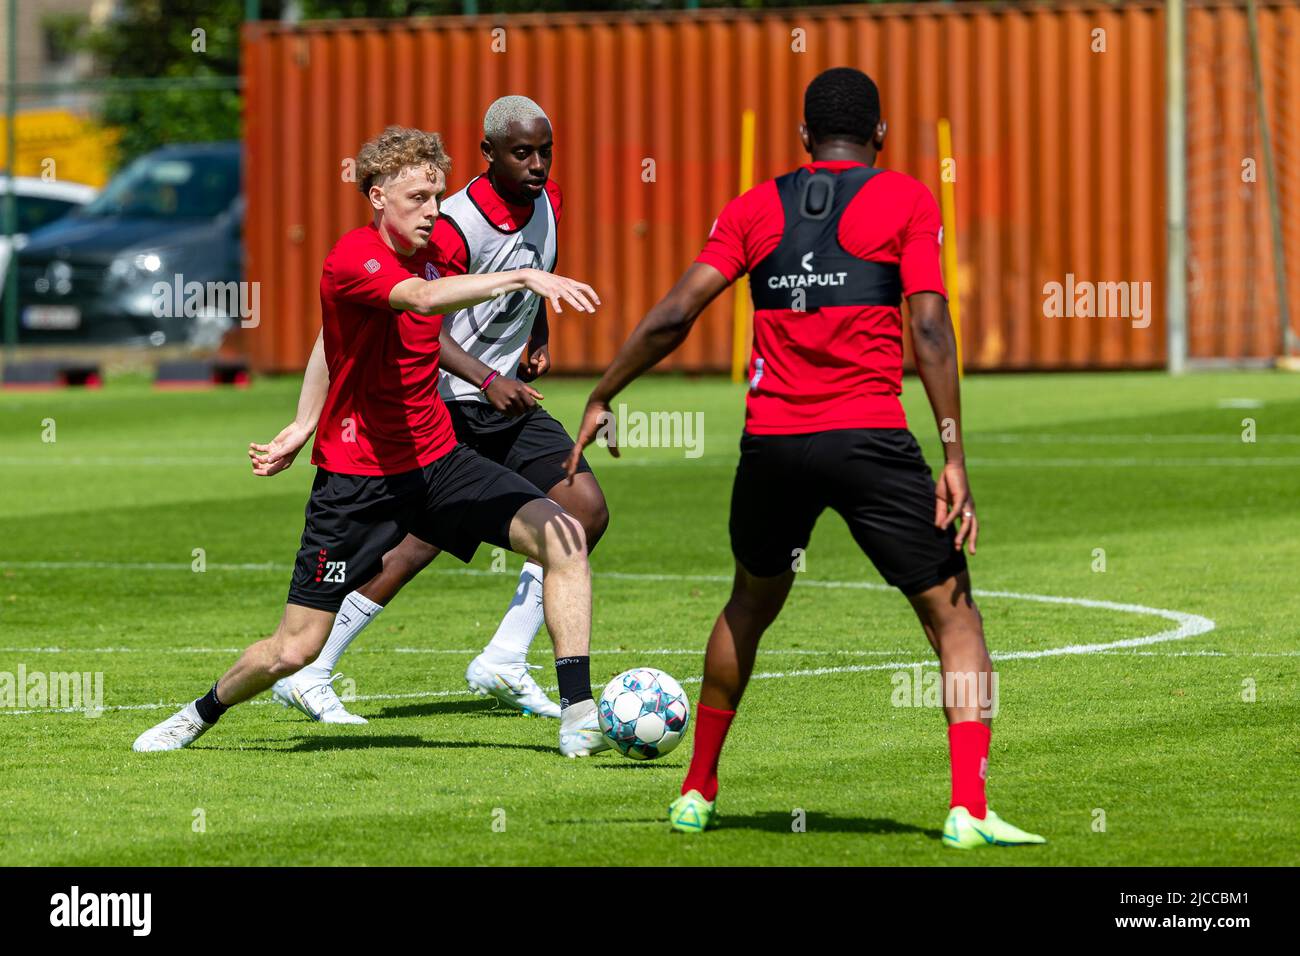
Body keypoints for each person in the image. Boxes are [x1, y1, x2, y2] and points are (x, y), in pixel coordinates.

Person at [564, 68, 1046, 846]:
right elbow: (928, 329)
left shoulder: (756, 206)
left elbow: (677, 312)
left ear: (802, 138)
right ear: (879, 136)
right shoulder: (908, 200)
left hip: (773, 447)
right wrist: (952, 452)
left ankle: (696, 792)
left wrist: (603, 391)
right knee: (954, 618)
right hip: (870, 442)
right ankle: (969, 808)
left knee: (749, 606)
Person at [133, 125, 609, 758]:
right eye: (417, 198)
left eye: (438, 196)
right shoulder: (353, 256)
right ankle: (200, 713)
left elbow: (382, 325)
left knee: (566, 536)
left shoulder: (441, 244)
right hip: (357, 480)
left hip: (439, 458)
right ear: (378, 196)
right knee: (294, 648)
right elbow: (413, 300)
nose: (433, 212)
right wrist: (522, 276)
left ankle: (578, 714)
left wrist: (519, 325)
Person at [258, 97, 608, 725]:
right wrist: (481, 374)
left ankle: (503, 657)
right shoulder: (450, 224)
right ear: (489, 155)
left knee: (583, 512)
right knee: (416, 545)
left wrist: (538, 337)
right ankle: (311, 666)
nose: (536, 164)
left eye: (544, 151)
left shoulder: (548, 202)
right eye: (521, 152)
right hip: (451, 404)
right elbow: (414, 309)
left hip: (507, 400)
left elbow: (536, 276)